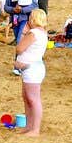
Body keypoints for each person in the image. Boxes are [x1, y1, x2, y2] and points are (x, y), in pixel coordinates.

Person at [13, 7, 48, 135]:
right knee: (28, 97)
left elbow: (19, 48)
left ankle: (35, 129)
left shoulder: (33, 33)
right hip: (31, 68)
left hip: (32, 69)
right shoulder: (41, 33)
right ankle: (29, 126)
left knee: (33, 99)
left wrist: (23, 33)